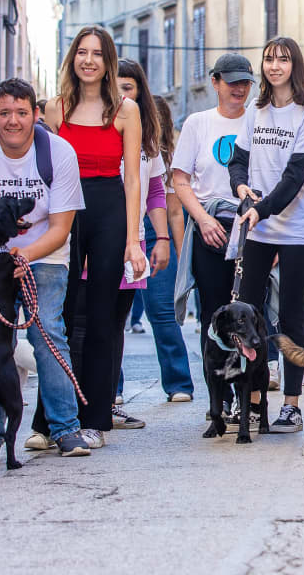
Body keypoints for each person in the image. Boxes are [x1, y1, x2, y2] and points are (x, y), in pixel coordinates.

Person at [0, 78, 91, 460]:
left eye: (21, 112)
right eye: (5, 112)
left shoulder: (58, 153)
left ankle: (66, 429)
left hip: (43, 256)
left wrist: (24, 257)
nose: (13, 121)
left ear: (35, 114)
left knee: (47, 334)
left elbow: (61, 229)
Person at [42, 27, 148, 450]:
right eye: (82, 53)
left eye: (97, 54)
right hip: (65, 208)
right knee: (59, 314)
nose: (89, 60)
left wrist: (133, 239)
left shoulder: (126, 111)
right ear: (73, 59)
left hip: (107, 206)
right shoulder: (55, 109)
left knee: (103, 317)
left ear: (107, 62)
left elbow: (134, 179)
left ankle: (95, 419)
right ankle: (53, 418)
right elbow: (44, 173)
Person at [228, 36, 304, 433]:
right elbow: (238, 161)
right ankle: (250, 402)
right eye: (268, 59)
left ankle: (291, 405)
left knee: (290, 316)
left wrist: (258, 209)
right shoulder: (257, 109)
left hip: (297, 229)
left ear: (294, 66)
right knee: (247, 313)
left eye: (283, 59)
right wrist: (240, 190)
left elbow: (295, 177)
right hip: (258, 228)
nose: (274, 66)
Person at [172, 53, 255, 418]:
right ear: (216, 82)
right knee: (213, 314)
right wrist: (203, 220)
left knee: (253, 313)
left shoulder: (260, 121)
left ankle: (249, 399)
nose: (239, 88)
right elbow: (180, 180)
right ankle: (218, 398)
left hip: (252, 225)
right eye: (232, 81)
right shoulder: (198, 123)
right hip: (212, 224)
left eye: (245, 82)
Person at [108, 59, 173, 428]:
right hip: (98, 241)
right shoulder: (98, 132)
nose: (121, 95)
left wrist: (162, 238)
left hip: (135, 243)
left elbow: (155, 192)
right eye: (115, 88)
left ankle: (111, 398)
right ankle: (87, 403)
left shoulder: (147, 137)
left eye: (128, 88)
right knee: (92, 323)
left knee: (117, 322)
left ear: (140, 92)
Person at [129, 94, 194, 401]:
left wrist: (182, 255)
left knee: (162, 312)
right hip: (118, 233)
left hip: (155, 234)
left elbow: (173, 209)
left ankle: (179, 383)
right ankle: (111, 391)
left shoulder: (164, 155)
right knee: (110, 317)